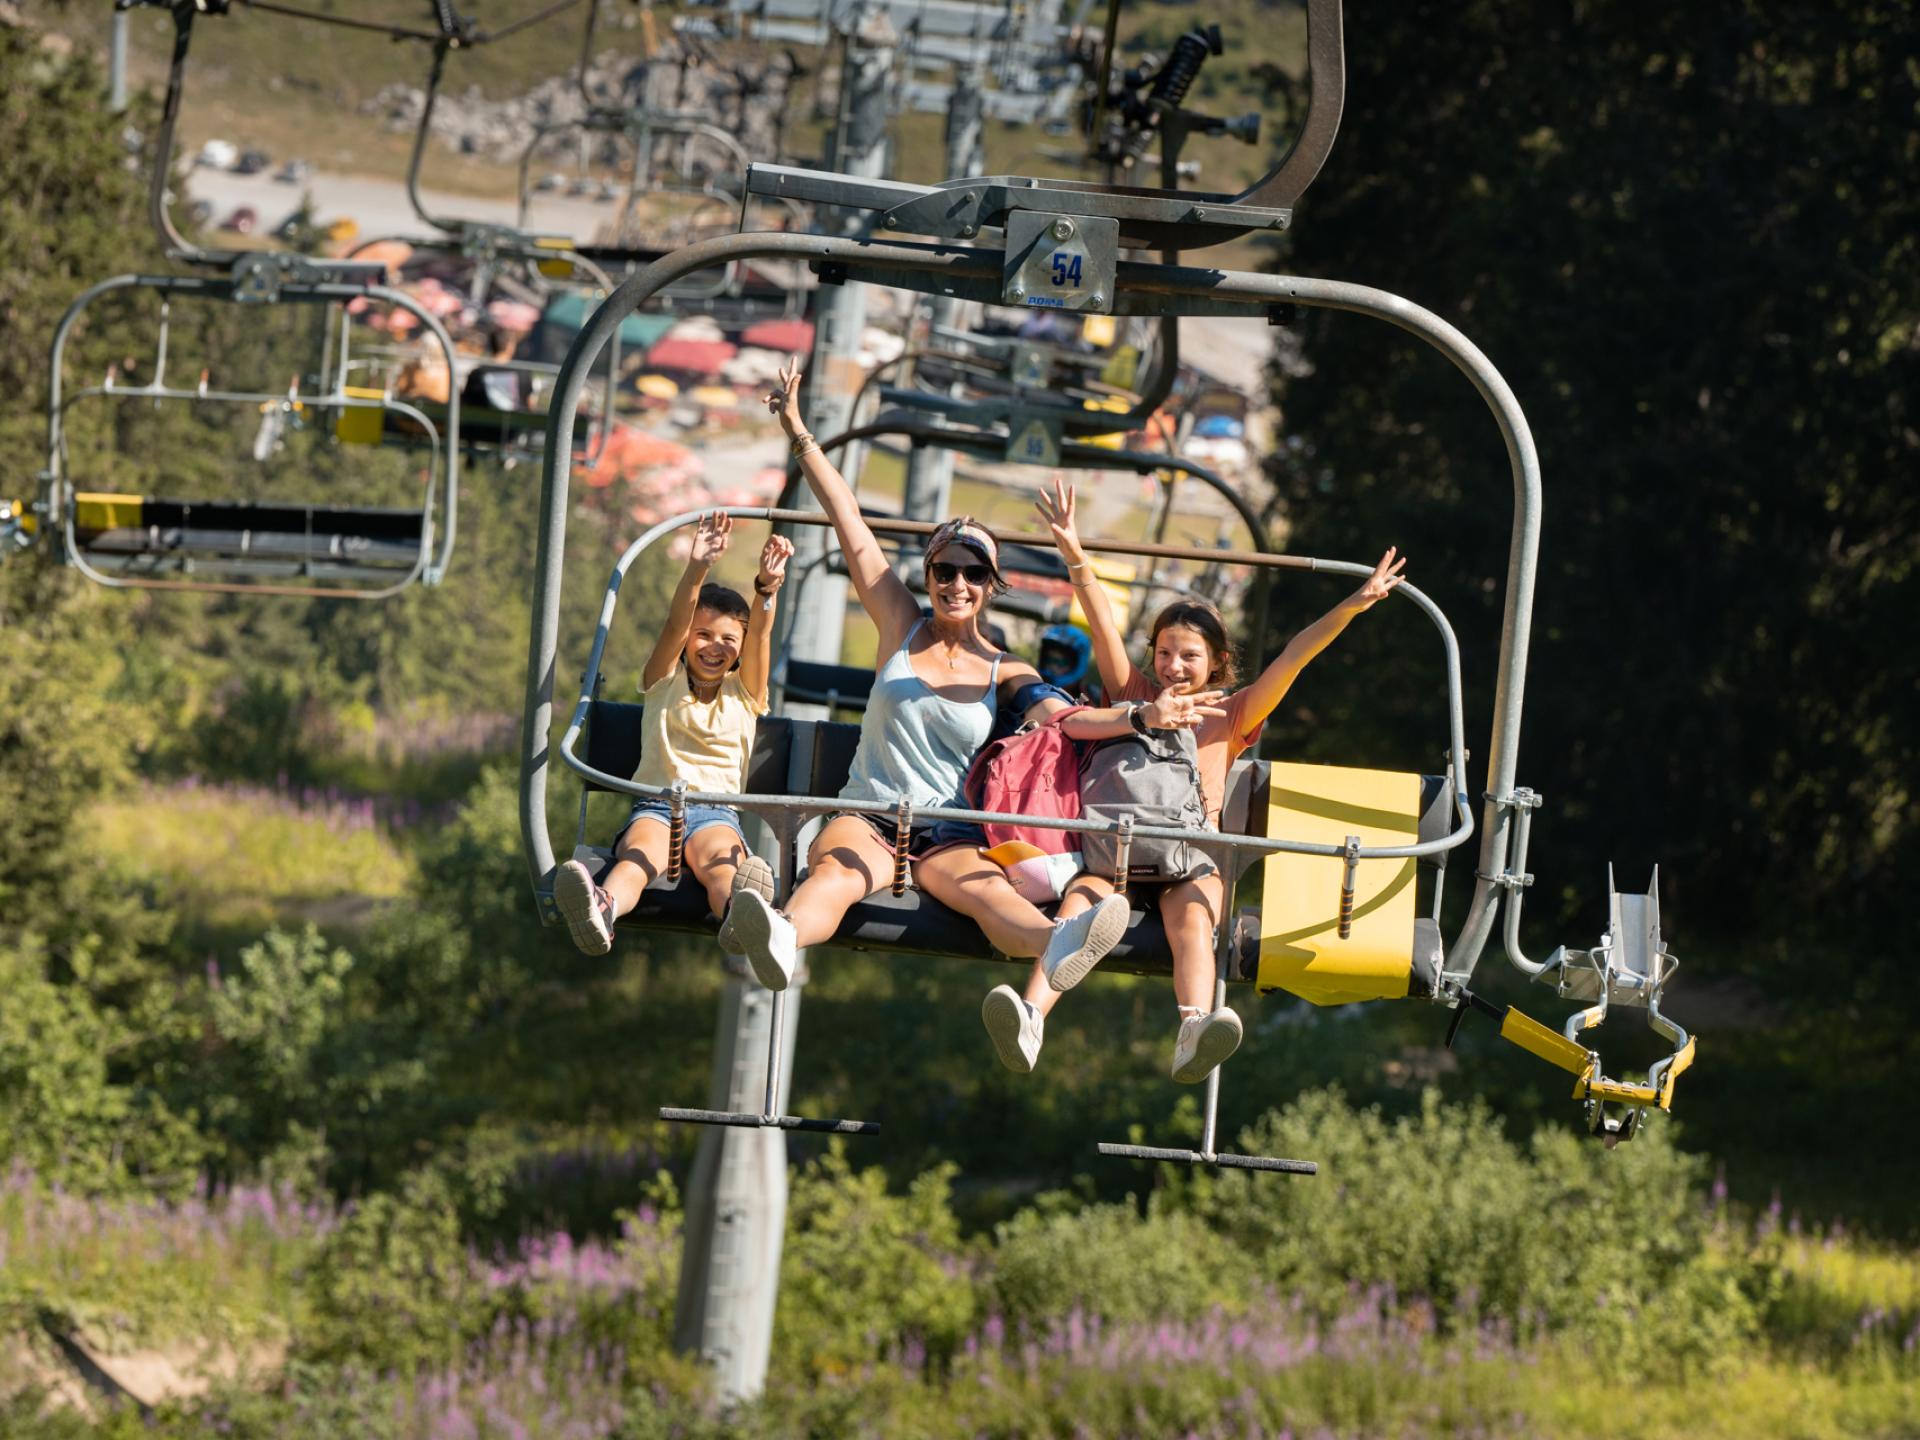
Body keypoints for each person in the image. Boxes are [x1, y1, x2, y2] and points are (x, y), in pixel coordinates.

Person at [725, 361, 1219, 994]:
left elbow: (1067, 723)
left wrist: (1140, 717)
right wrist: (799, 431)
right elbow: (850, 526)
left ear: (990, 587)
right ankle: (783, 936)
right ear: (929, 576)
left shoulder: (1004, 668)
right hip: (872, 812)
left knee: (988, 894)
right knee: (838, 873)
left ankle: (1061, 943)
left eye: (973, 574)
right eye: (945, 570)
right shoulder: (899, 625)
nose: (958, 584)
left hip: (947, 825)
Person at [980, 475, 1407, 1083]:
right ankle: (1031, 1015)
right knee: (1081, 906)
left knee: (1194, 919)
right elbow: (1101, 618)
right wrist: (1074, 552)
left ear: (1216, 665)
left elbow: (1293, 657)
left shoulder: (1231, 715)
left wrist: (1354, 604)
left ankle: (1192, 1028)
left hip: (1185, 860)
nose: (1173, 667)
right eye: (1164, 653)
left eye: (1189, 657)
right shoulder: (1131, 695)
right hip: (1116, 859)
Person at [553, 512, 793, 956]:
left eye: (727, 639)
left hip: (717, 812)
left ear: (738, 650)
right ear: (687, 642)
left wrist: (766, 589)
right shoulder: (664, 680)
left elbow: (761, 635)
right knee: (640, 858)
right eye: (703, 635)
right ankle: (603, 907)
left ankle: (741, 920)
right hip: (657, 805)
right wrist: (698, 567)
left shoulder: (746, 694)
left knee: (722, 865)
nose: (714, 646)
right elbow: (673, 624)